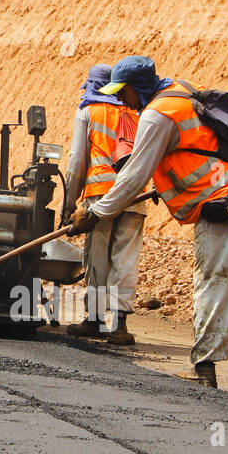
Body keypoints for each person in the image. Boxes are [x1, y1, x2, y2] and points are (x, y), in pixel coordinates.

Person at [71, 56, 228, 392]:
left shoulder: (155, 114)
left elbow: (133, 177)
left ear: (137, 89)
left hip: (223, 199)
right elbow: (192, 149)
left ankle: (204, 367)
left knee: (213, 277)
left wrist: (96, 213)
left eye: (124, 93)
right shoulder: (180, 92)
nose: (121, 100)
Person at [62, 64, 145, 345]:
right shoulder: (134, 111)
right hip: (134, 196)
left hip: (99, 196)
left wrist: (69, 203)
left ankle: (95, 319)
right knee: (126, 258)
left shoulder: (88, 112)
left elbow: (76, 162)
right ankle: (119, 326)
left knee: (97, 257)